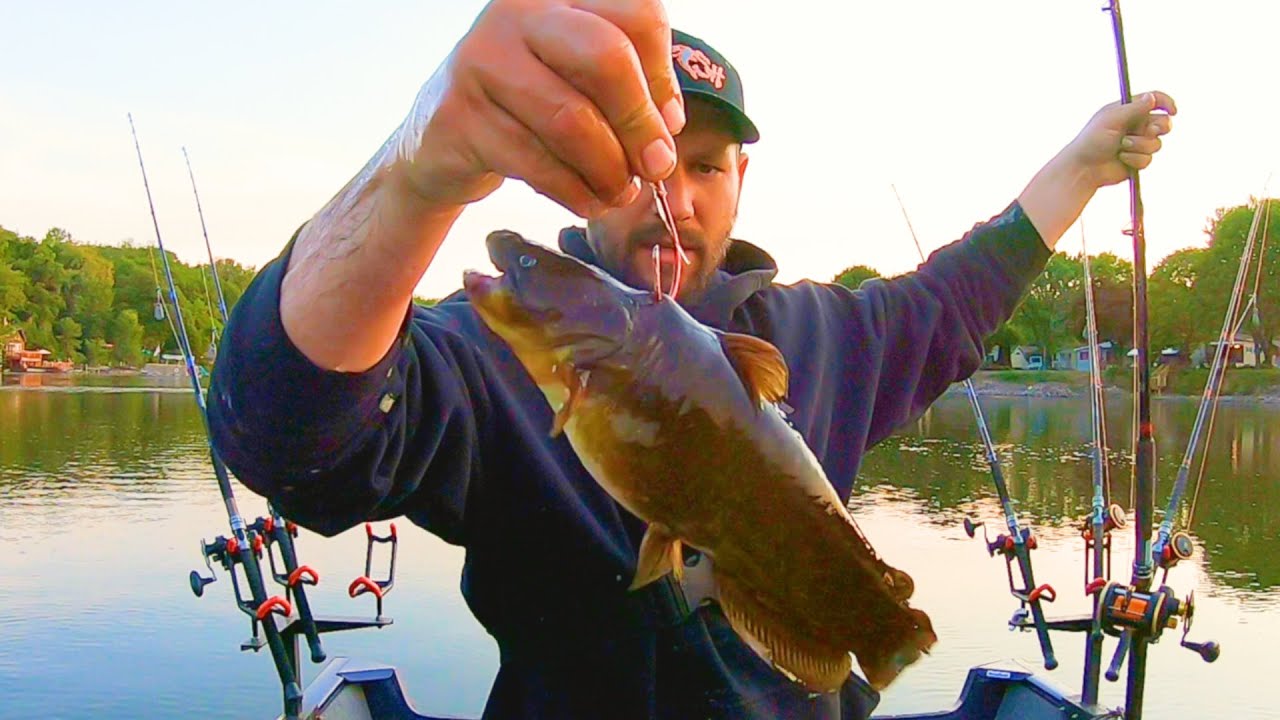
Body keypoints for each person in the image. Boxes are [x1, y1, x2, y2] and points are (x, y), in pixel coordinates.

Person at [207, 2, 1175, 718]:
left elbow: (957, 295)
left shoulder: (824, 334)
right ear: (576, 168)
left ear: (739, 180)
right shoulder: (492, 342)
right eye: (643, 163)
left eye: (704, 166)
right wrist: (418, 177)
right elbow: (292, 435)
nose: (673, 196)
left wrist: (1081, 169)